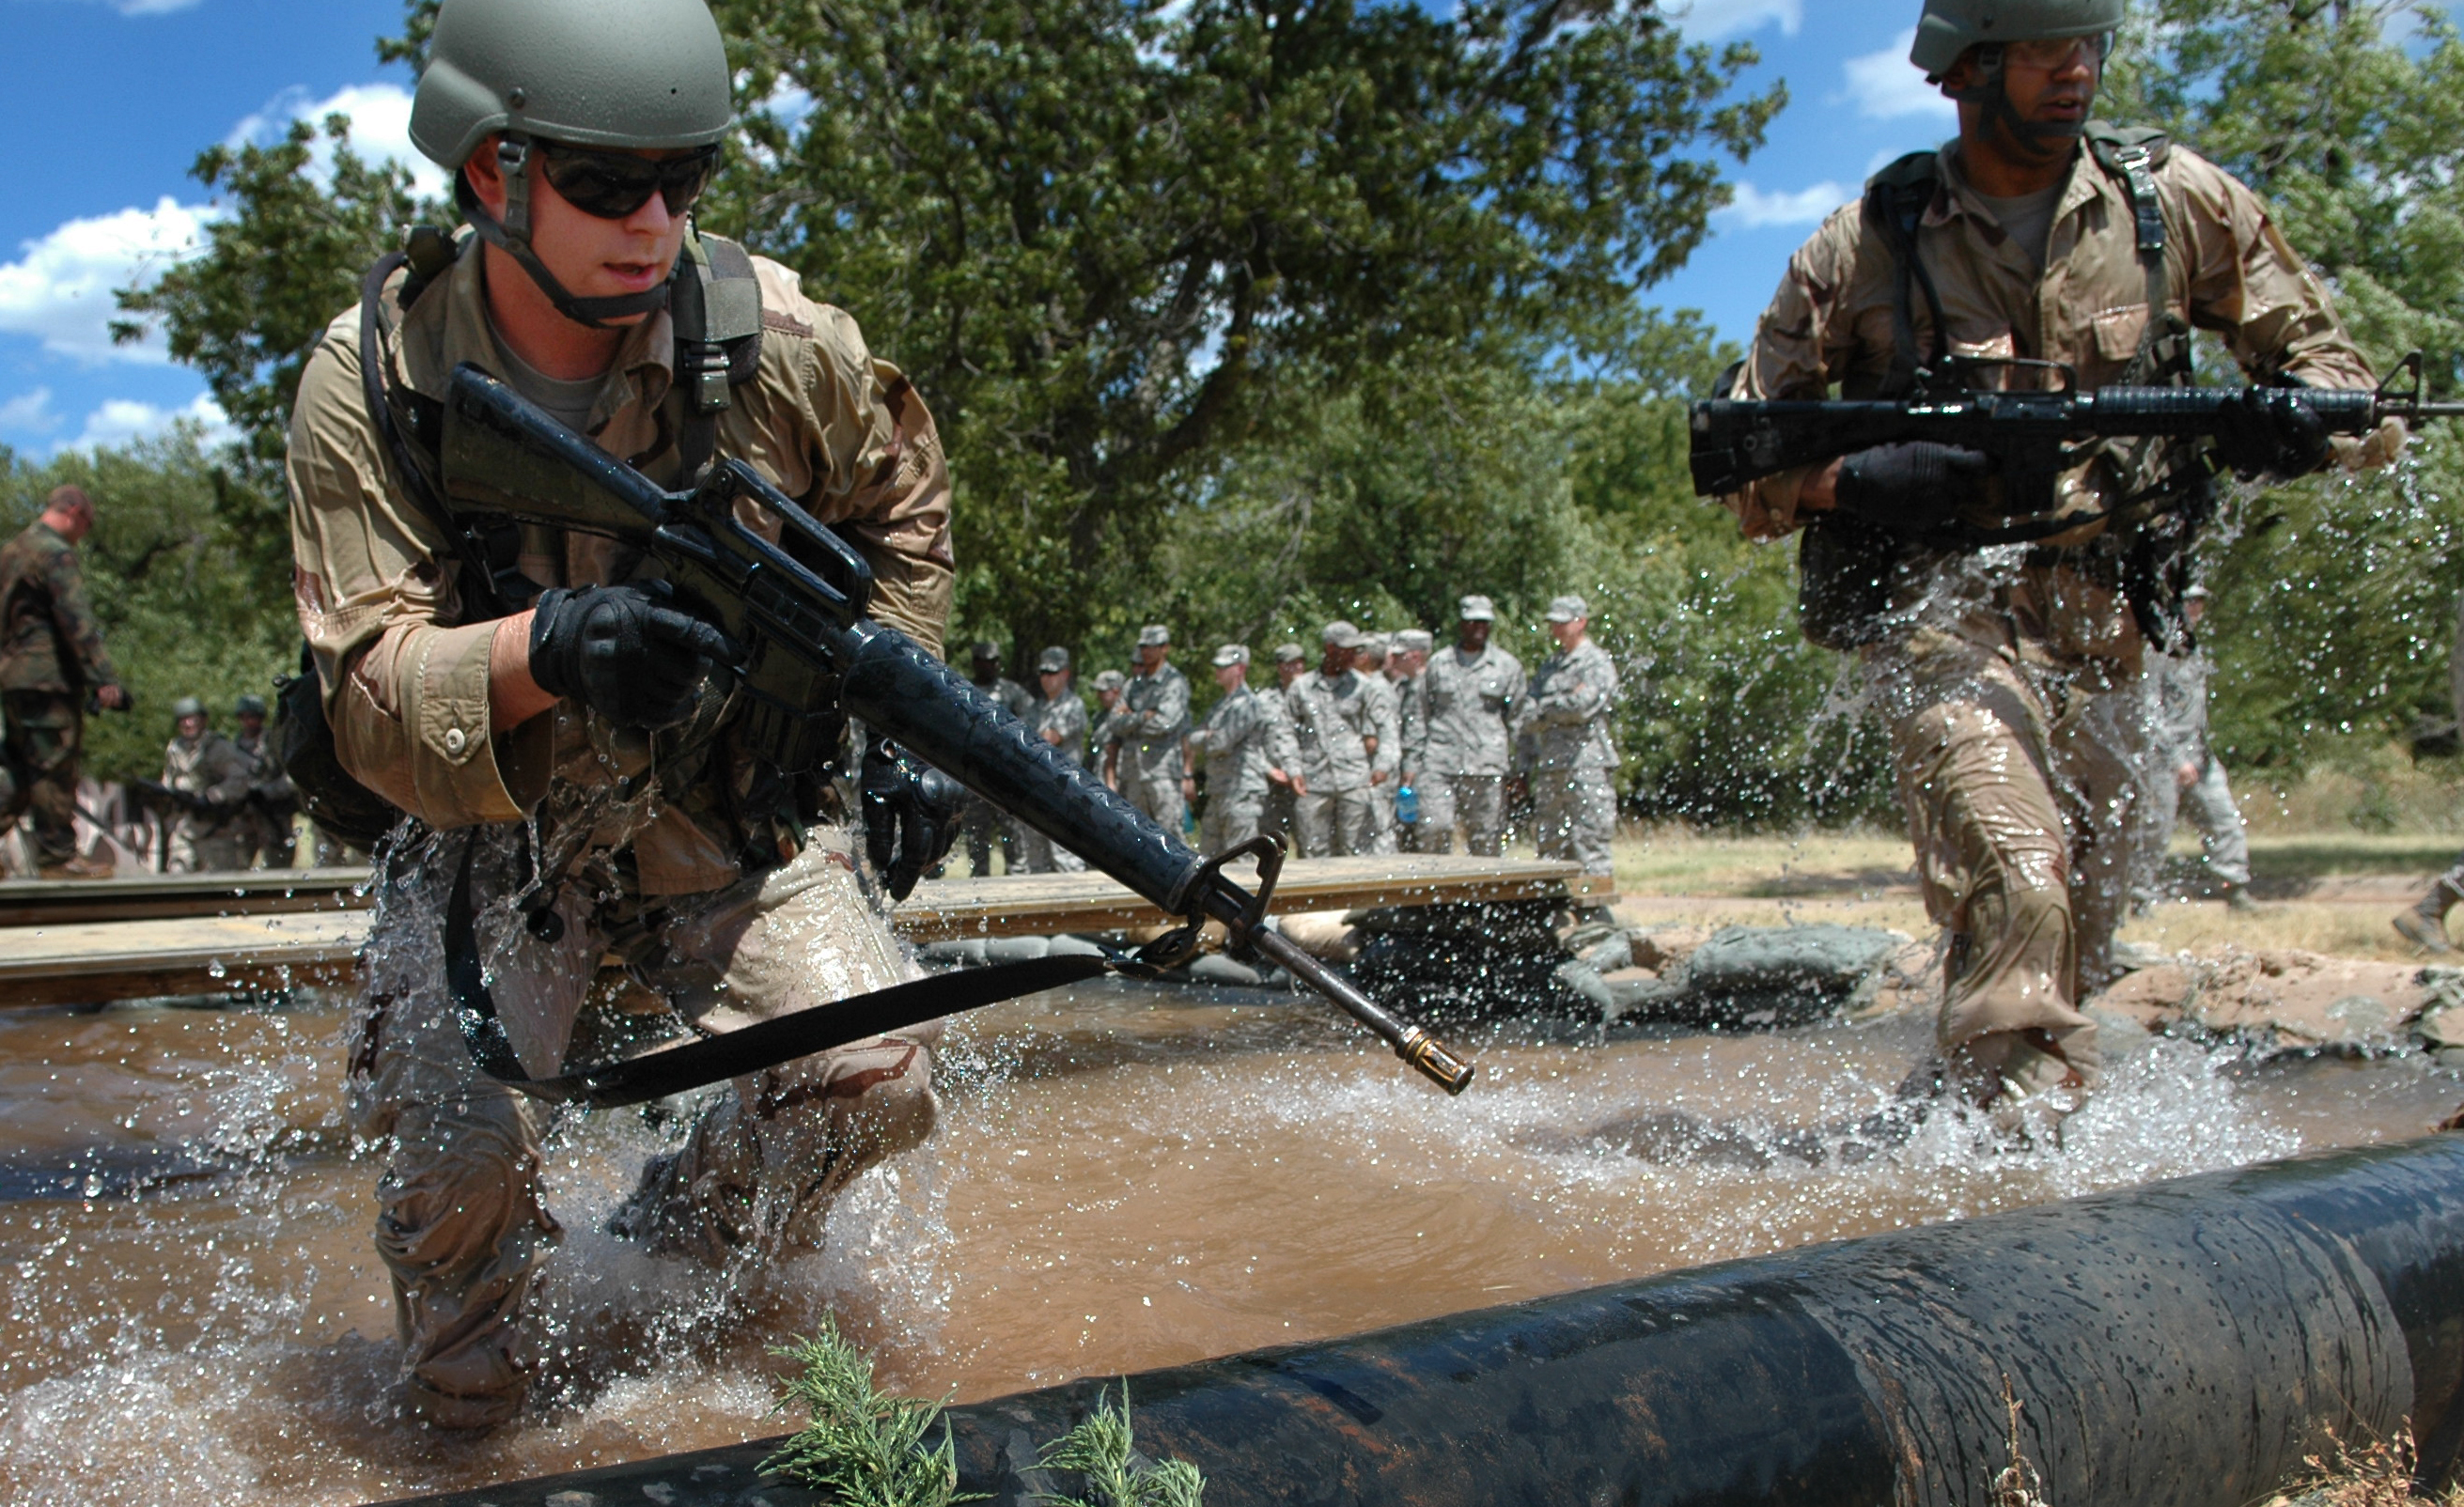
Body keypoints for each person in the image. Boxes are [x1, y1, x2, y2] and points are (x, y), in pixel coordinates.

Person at [284, 0, 954, 1428]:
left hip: (725, 812)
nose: (651, 220)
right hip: (493, 838)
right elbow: (365, 697)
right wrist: (547, 649)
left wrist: (893, 707)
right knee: (462, 1159)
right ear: (491, 171)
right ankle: (469, 1432)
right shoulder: (376, 380)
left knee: (878, 1074)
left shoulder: (779, 337)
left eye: (685, 180)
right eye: (604, 183)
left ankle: (685, 1254)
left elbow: (902, 497)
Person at [1716, 0, 2399, 1133]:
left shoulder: (2175, 204)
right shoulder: (1866, 242)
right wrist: (1872, 478)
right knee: (2020, 871)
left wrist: (2296, 422)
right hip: (1943, 608)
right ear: (1966, 72)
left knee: (2078, 909)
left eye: (2088, 47)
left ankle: (1966, 1113)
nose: (2075, 70)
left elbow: (2346, 385)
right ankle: (2020, 1167)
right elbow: (1744, 455)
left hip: (2113, 609)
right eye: (2043, 52)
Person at [0, 485, 128, 878]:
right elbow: (76, 618)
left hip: (13, 677)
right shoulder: (53, 552)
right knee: (55, 766)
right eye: (85, 525)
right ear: (73, 512)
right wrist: (104, 678)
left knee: (21, 771)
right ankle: (58, 859)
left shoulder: (10, 552)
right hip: (47, 678)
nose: (83, 534)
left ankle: (52, 854)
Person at [2147, 587, 2253, 910]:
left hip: (2200, 756)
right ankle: (2140, 901)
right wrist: (2175, 758)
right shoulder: (2156, 649)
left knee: (2224, 821)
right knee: (2154, 832)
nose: (2197, 607)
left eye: (2200, 601)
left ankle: (2236, 891)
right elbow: (2148, 708)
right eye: (2190, 600)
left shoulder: (2194, 648)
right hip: (2162, 758)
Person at [1513, 598, 1620, 880]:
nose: (1557, 628)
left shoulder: (1596, 662)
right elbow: (1526, 716)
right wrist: (1563, 702)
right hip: (1551, 767)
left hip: (1588, 764)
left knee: (1590, 842)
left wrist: (1547, 707)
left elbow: (1584, 707)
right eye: (1554, 623)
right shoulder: (1549, 667)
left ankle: (1595, 914)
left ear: (1581, 622)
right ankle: (1554, 912)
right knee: (1550, 845)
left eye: (1564, 622)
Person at [1417, 594, 1524, 857]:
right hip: (1440, 764)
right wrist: (1412, 763)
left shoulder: (1507, 666)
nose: (1479, 627)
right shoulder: (1438, 664)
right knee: (1434, 829)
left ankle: (1485, 897)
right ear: (1462, 624)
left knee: (1486, 839)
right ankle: (1435, 894)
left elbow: (1519, 721)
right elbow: (1421, 715)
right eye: (1473, 622)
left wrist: (1522, 768)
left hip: (1487, 767)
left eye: (1484, 623)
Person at [1185, 644, 1304, 853]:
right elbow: (1191, 738)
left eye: (1224, 667)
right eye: (1218, 667)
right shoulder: (1221, 705)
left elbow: (1220, 743)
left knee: (1239, 856)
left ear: (1240, 669)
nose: (1218, 672)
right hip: (1220, 790)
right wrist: (1207, 735)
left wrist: (1208, 735)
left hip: (1242, 791)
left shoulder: (1247, 704)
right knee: (1208, 856)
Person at [1286, 621, 1380, 856]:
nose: (1354, 656)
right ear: (1330, 649)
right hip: (1313, 782)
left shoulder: (1364, 687)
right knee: (1312, 851)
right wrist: (1292, 769)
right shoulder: (1301, 688)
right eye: (1347, 650)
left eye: (1356, 650)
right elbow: (1284, 731)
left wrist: (1383, 765)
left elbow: (1384, 729)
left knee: (1356, 851)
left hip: (1355, 781)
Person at [958, 642, 1034, 876]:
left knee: (1013, 835)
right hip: (974, 778)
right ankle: (979, 883)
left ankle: (1018, 882)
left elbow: (1029, 731)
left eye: (994, 661)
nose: (991, 666)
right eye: (985, 661)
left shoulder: (1014, 693)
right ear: (976, 662)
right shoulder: (962, 690)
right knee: (977, 837)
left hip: (1007, 778)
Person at [161, 695, 257, 873]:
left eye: (193, 719)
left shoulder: (218, 747)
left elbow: (239, 781)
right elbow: (169, 780)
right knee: (177, 875)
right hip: (183, 826)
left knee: (219, 883)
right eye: (183, 720)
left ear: (203, 720)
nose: (188, 724)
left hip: (215, 829)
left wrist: (213, 796)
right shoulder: (175, 749)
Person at [1113, 625, 1192, 836]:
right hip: (1134, 773)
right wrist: (1144, 715)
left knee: (1170, 836)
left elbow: (1165, 724)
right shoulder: (1132, 685)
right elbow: (1114, 722)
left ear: (1165, 648)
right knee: (1135, 836)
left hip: (1162, 773)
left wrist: (1131, 717)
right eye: (1143, 647)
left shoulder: (1174, 683)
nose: (1146, 652)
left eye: (1152, 646)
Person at [1017, 646, 1088, 874]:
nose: (1046, 678)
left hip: (1064, 792)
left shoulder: (1073, 705)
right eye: (1043, 673)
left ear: (1065, 674)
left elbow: (1045, 740)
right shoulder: (1035, 707)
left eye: (1052, 673)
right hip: (1035, 789)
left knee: (1066, 859)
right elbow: (1019, 742)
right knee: (1036, 861)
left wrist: (1029, 740)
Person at [230, 692, 299, 870]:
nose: (249, 721)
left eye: (253, 716)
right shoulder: (233, 746)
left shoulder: (274, 742)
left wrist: (266, 791)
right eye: (245, 717)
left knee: (279, 864)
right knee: (239, 864)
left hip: (274, 812)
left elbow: (291, 777)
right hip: (246, 815)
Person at [1352, 632, 1402, 854]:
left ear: (1367, 657)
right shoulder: (1370, 684)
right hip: (1375, 767)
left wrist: (1382, 766)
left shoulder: (1376, 687)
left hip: (1377, 769)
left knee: (1379, 828)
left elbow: (1382, 734)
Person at [1262, 643, 1308, 848]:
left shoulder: (1314, 696)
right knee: (1272, 845)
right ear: (1280, 667)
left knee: (1310, 842)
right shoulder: (1263, 700)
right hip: (1273, 785)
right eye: (1290, 664)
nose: (1296, 669)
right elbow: (1252, 742)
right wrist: (1268, 769)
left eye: (1300, 663)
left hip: (1307, 782)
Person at [1089, 668, 1128, 791]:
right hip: (1100, 777)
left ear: (1116, 691)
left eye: (1103, 691)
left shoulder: (1126, 716)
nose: (1099, 695)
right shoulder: (1099, 717)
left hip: (1121, 778)